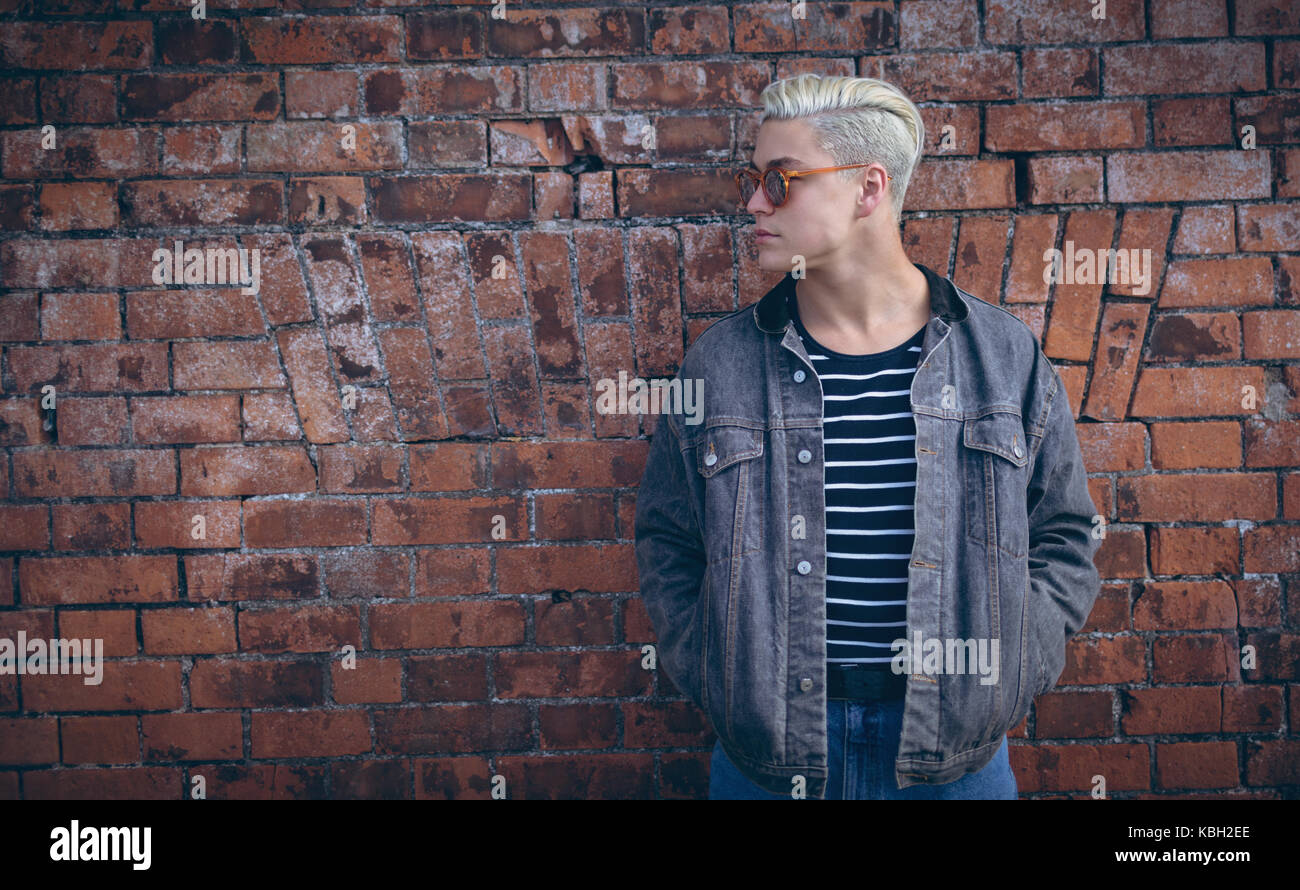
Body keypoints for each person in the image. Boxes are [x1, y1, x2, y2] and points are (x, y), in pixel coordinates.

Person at [633, 73, 1102, 799]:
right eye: (752, 179)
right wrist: (716, 669)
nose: (754, 202)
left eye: (780, 180)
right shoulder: (720, 365)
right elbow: (667, 538)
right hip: (769, 760)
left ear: (868, 189)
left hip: (954, 761)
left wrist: (1011, 668)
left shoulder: (1004, 359)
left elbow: (1065, 536)